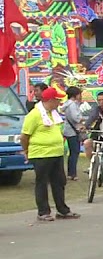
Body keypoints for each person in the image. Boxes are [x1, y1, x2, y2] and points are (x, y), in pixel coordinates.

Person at [21, 87, 79, 222]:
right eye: (57, 100)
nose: (59, 102)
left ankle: (63, 210)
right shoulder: (34, 115)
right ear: (50, 100)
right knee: (42, 182)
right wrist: (26, 151)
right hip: (41, 154)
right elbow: (24, 136)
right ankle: (43, 212)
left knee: (59, 182)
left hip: (56, 153)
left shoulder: (54, 114)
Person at [59, 87, 85, 182]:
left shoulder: (68, 104)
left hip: (69, 130)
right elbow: (76, 117)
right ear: (75, 95)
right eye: (79, 94)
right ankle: (73, 174)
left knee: (72, 153)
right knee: (75, 152)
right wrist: (82, 118)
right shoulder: (73, 105)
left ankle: (70, 173)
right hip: (73, 131)